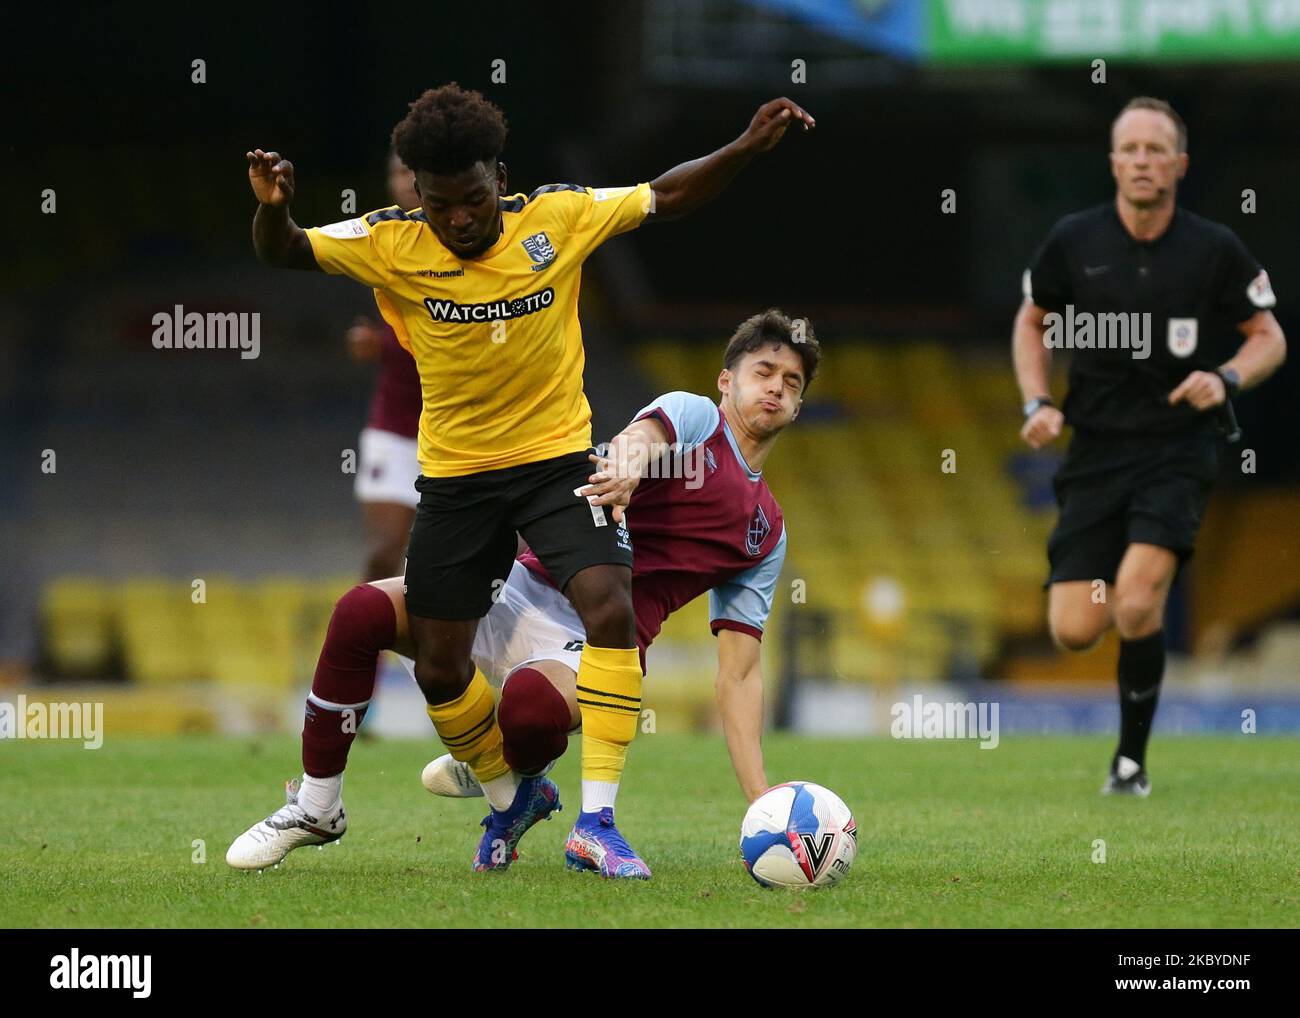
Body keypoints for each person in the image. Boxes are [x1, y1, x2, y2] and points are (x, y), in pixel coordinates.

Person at [240, 83, 816, 870]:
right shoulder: (390, 240)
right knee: (440, 666)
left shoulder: (557, 218)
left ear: (499, 179)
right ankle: (508, 796)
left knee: (609, 602)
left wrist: (743, 149)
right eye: (441, 205)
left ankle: (599, 824)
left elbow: (665, 196)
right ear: (420, 196)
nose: (461, 219)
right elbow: (285, 249)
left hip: (553, 464)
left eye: (474, 200)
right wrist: (274, 206)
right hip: (457, 479)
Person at [227, 310, 817, 878]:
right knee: (360, 612)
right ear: (726, 380)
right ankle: (317, 804)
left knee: (529, 712)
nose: (775, 388)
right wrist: (631, 465)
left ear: (798, 403)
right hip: (513, 587)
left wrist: (761, 797)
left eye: (791, 382)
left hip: (595, 643)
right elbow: (643, 435)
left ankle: (510, 769)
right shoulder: (696, 417)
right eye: (763, 372)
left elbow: (739, 674)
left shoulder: (766, 534)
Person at [1012, 97, 1286, 797]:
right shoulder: (1073, 241)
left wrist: (1224, 377)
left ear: (1180, 164)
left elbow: (1269, 337)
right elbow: (1032, 322)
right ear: (1112, 162)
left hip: (1176, 449)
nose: (1141, 160)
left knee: (1134, 602)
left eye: (1156, 149)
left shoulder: (1214, 248)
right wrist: (1037, 401)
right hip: (1097, 452)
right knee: (1076, 628)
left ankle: (1130, 765)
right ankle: (1139, 622)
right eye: (1129, 148)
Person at [345, 152, 423, 581]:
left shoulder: (471, 235)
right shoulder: (376, 239)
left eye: (414, 170)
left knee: (494, 559)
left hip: (463, 435)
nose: (406, 181)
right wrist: (371, 340)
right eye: (397, 171)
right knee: (383, 554)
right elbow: (384, 328)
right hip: (395, 431)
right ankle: (368, 650)